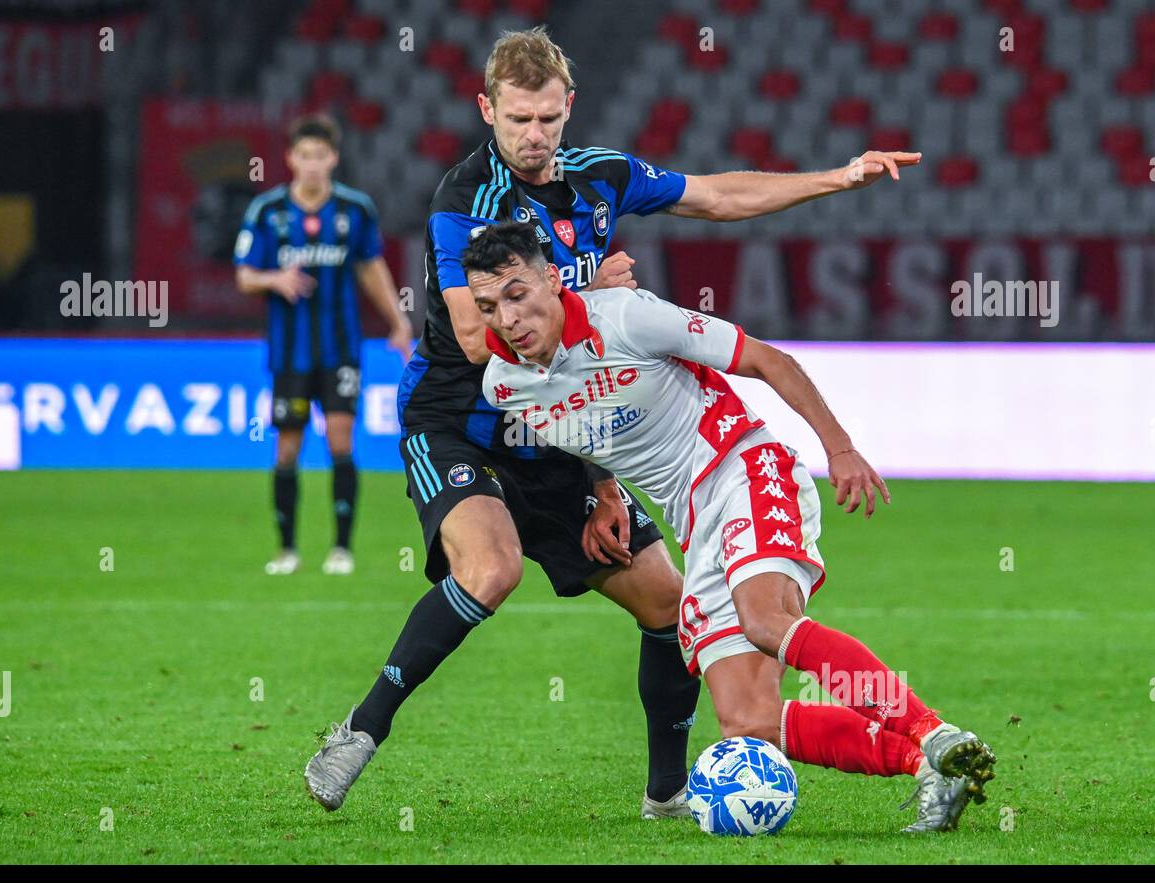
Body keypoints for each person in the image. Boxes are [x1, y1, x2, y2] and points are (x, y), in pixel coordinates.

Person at [304, 27, 919, 819]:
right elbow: (470, 335)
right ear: (487, 108)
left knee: (665, 601)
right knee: (492, 571)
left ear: (569, 109)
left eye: (548, 120)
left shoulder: (601, 177)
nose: (534, 137)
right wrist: (584, 281)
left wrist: (838, 178)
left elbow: (718, 196)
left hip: (564, 423)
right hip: (462, 416)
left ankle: (665, 795)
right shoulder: (464, 203)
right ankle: (360, 730)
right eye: (518, 119)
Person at [470, 221, 996, 833]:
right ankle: (930, 767)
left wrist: (841, 448)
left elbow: (768, 359)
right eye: (488, 306)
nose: (506, 319)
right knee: (750, 722)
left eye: (516, 295)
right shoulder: (503, 385)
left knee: (766, 621)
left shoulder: (628, 318)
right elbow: (584, 423)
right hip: (694, 524)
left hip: (745, 466)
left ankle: (933, 732)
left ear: (553, 281)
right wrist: (605, 489)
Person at [235, 113, 413, 576]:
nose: (312, 164)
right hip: (290, 354)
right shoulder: (267, 212)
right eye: (304, 156)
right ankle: (288, 549)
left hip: (341, 350)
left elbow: (370, 268)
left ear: (333, 158)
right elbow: (244, 275)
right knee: (287, 450)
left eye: (321, 156)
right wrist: (275, 278)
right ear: (291, 158)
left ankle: (341, 549)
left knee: (340, 440)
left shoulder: (355, 210)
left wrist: (398, 321)